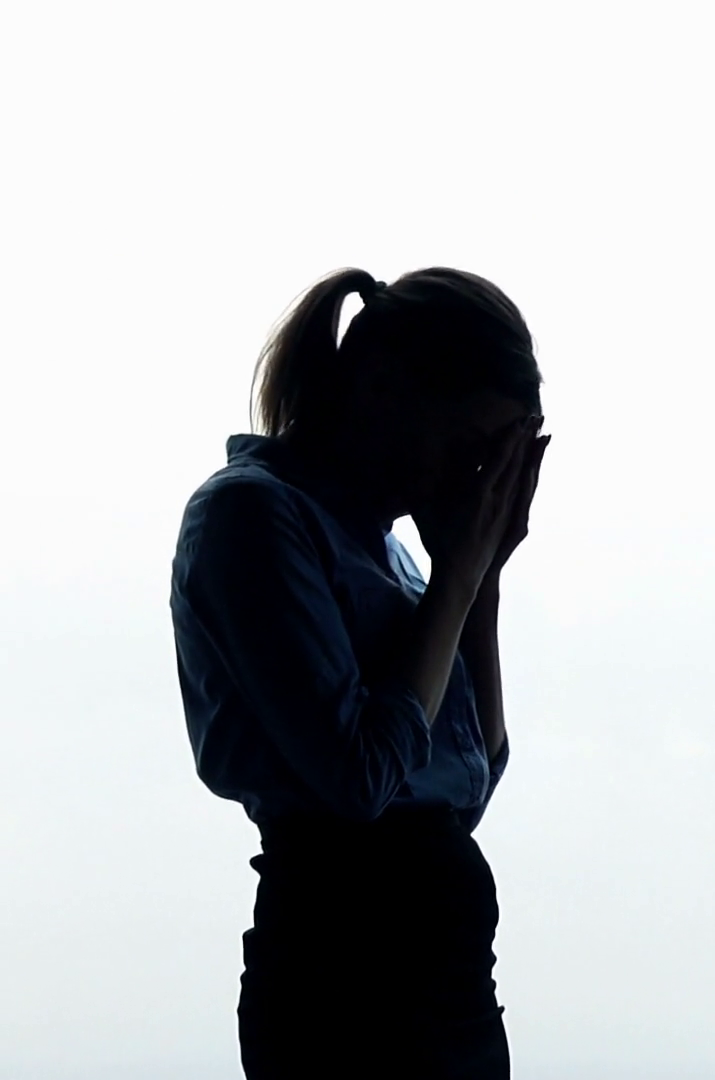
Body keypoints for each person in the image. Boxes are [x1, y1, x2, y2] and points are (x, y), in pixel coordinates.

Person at [170, 267, 550, 1079]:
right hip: (346, 987)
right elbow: (360, 778)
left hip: (448, 985)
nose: (474, 486)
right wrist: (458, 573)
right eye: (468, 449)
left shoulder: (395, 556)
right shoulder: (255, 516)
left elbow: (470, 780)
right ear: (384, 390)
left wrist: (480, 576)